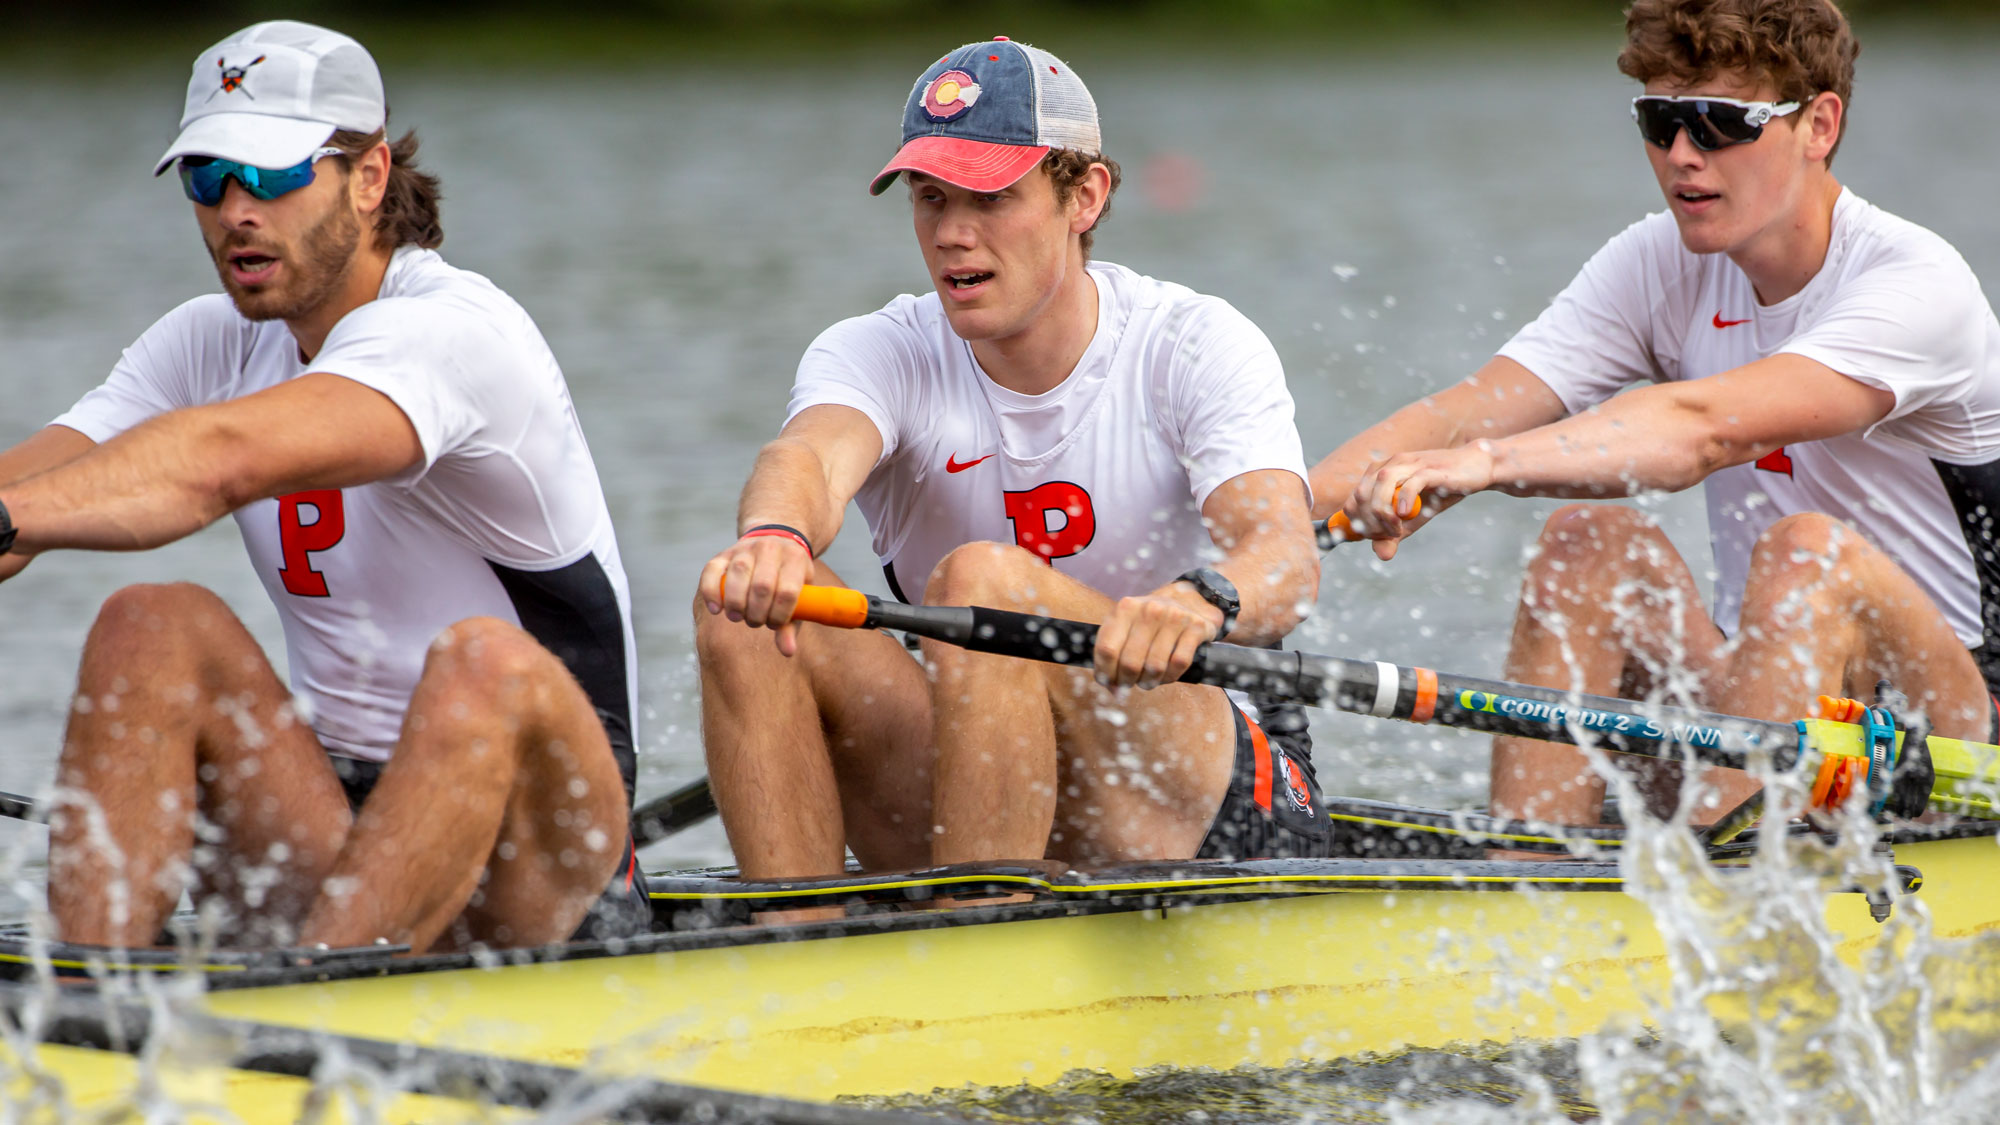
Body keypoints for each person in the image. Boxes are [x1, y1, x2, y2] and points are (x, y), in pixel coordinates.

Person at [15, 21, 647, 952]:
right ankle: (80, 1024)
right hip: (339, 827)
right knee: (149, 622)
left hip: (545, 857)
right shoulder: (209, 340)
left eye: (271, 175)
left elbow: (212, 462)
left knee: (483, 661)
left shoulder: (457, 334)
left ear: (370, 176)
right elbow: (34, 490)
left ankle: (321, 1021)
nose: (236, 210)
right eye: (207, 179)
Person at [1311, 0, 2000, 829]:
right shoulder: (1657, 263)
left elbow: (1701, 428)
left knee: (1805, 552)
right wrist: (1250, 550)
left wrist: (1492, 464)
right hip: (1785, 707)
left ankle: (1712, 888)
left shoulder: (1917, 283)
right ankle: (1531, 878)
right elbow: (1468, 411)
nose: (1681, 154)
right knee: (1585, 545)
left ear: (1818, 125)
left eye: (1719, 123)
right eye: (1660, 119)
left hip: (1961, 736)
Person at [695, 37, 1323, 882]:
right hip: (983, 766)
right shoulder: (880, 349)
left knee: (986, 581)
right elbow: (807, 456)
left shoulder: (1194, 343)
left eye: (991, 197)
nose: (953, 234)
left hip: (1210, 792)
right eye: (930, 197)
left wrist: (1202, 598)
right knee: (748, 603)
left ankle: (975, 941)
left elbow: (1284, 559)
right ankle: (794, 944)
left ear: (1085, 196)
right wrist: (772, 534)